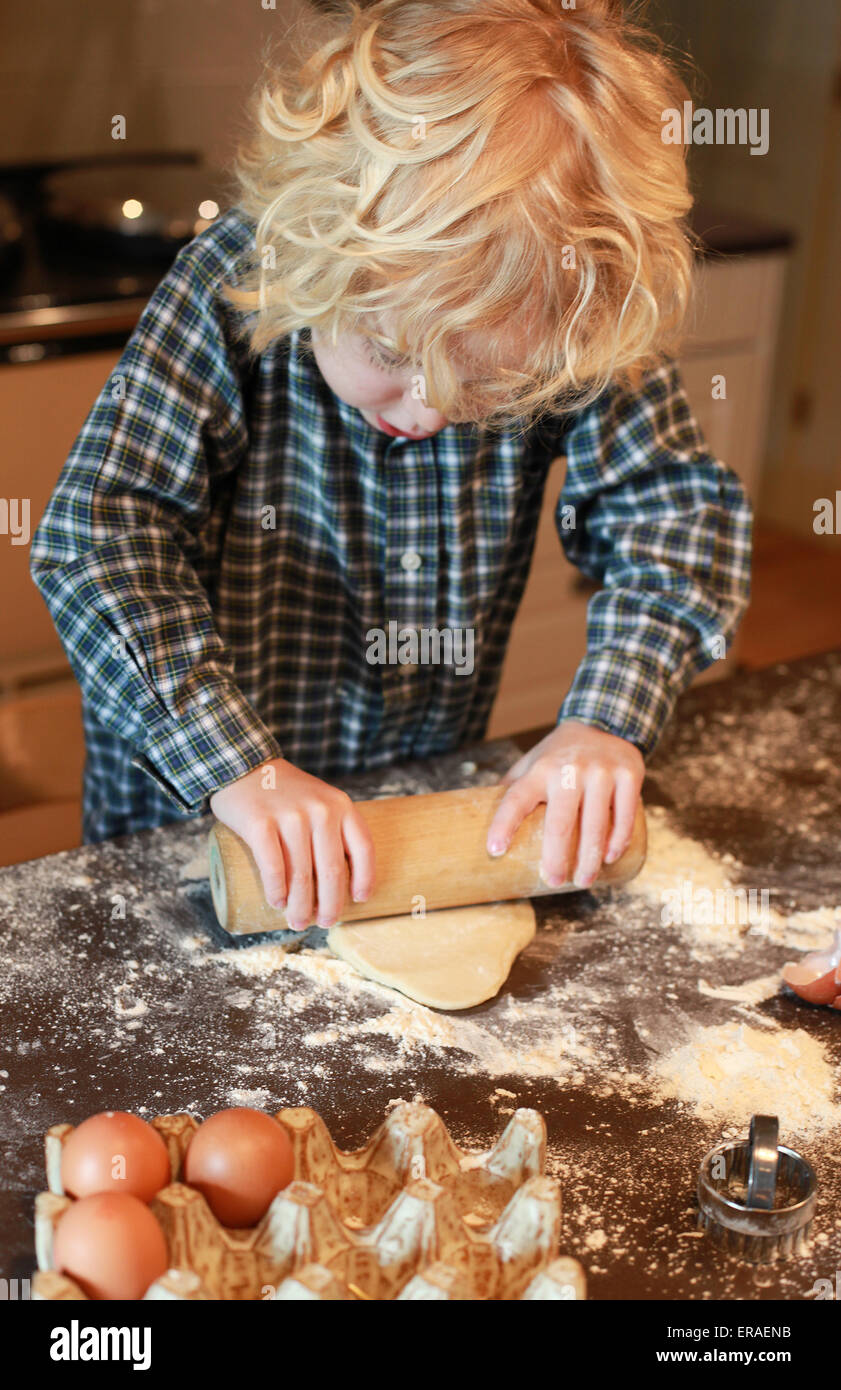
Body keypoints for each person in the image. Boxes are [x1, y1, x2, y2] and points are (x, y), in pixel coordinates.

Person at [30, 0, 752, 932]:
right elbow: (99, 539)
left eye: (493, 385)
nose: (433, 407)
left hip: (407, 814)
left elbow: (675, 513)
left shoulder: (559, 299)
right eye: (390, 349)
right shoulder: (235, 285)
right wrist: (238, 769)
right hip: (182, 835)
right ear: (319, 247)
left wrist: (605, 723)